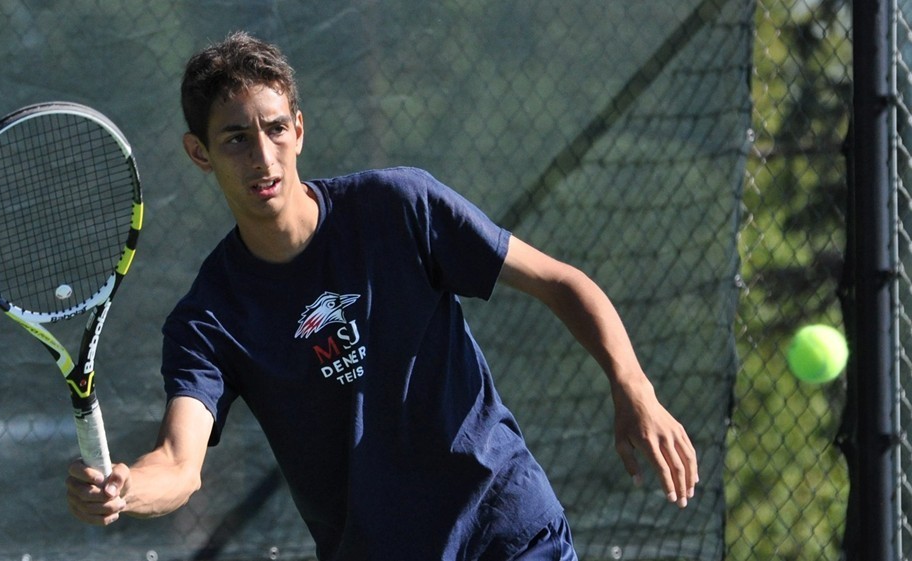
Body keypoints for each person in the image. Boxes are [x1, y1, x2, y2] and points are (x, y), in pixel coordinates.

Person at [66, 31, 698, 560]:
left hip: (508, 530)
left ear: (299, 131)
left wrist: (633, 386)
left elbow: (561, 282)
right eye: (235, 138)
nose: (262, 155)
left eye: (275, 129)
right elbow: (180, 464)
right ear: (199, 153)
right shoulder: (208, 320)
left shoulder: (400, 205)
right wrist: (126, 489)